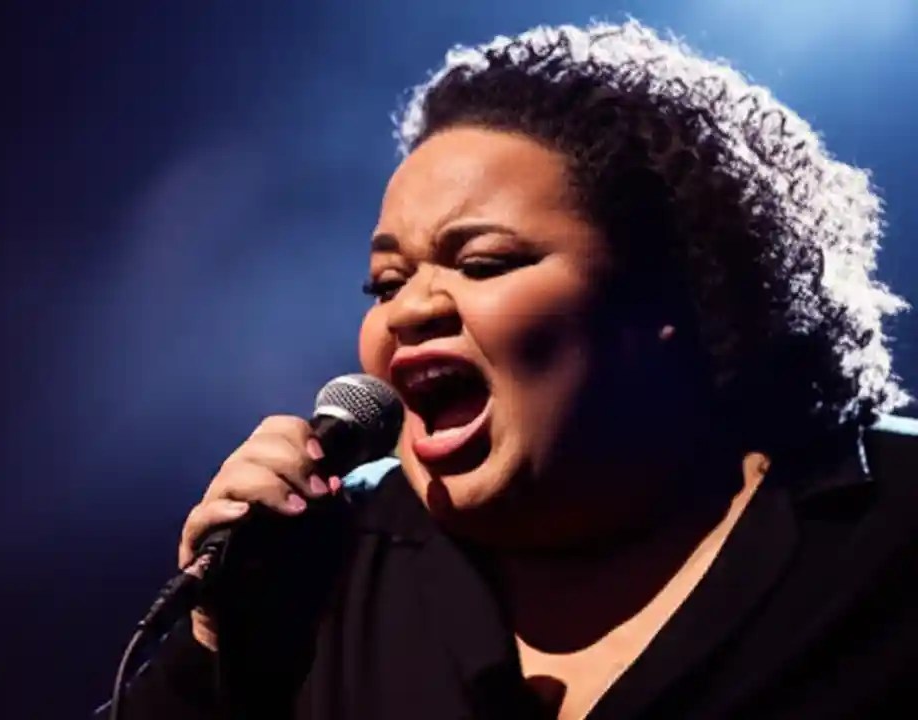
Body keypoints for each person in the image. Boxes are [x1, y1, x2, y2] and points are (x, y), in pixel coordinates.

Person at [104, 19, 917, 719]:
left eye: (484, 263)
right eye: (386, 282)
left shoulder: (885, 528)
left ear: (665, 290)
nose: (411, 308)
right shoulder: (324, 559)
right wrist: (219, 656)